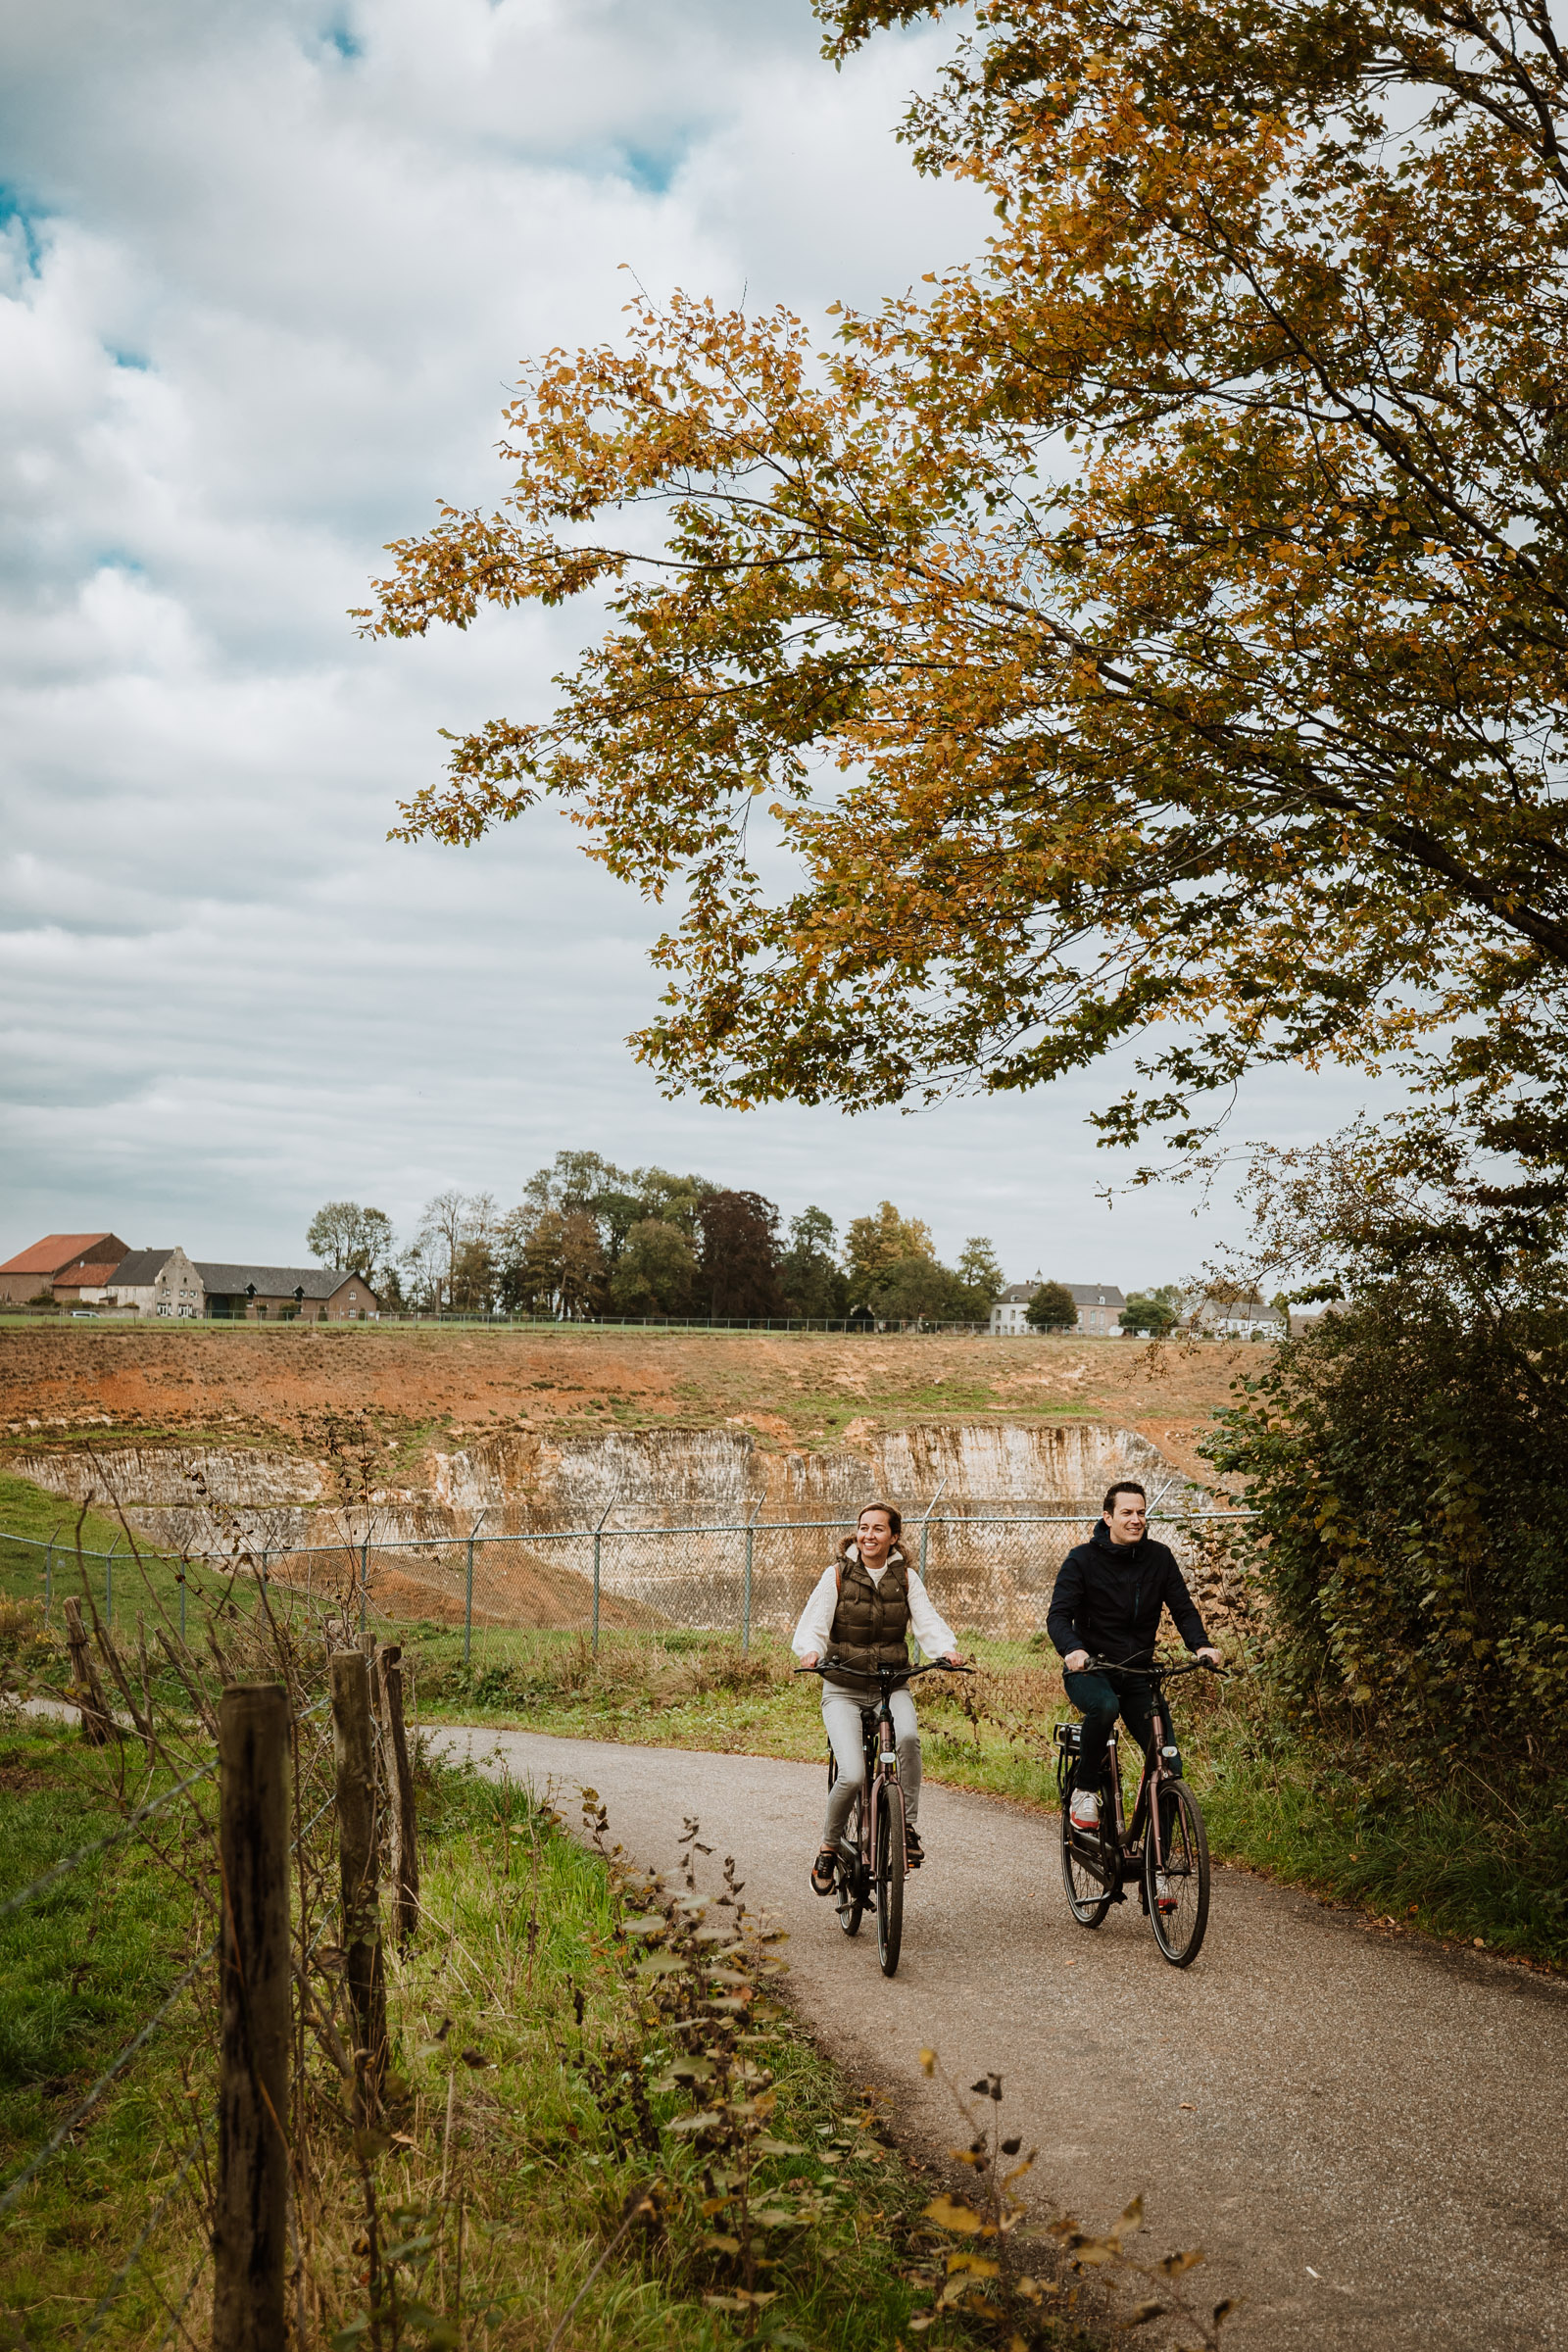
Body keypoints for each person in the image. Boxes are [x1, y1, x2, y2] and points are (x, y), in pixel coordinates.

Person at [793, 1501, 960, 1895]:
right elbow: (815, 1622)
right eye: (864, 1528)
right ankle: (829, 1848)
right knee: (851, 1775)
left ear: (894, 1536)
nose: (870, 1535)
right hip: (844, 1687)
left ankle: (907, 1826)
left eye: (879, 1529)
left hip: (890, 1684)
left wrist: (945, 1650)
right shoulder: (837, 1575)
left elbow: (927, 1621)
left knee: (907, 1740)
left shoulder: (906, 1578)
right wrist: (810, 1651)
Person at [1047, 1481, 1222, 1832]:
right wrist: (1073, 1650)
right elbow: (1058, 1616)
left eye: (1141, 1512)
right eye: (1126, 1512)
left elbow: (1183, 1609)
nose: (1136, 1519)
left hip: (1140, 1673)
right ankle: (1084, 1789)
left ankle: (1160, 1869)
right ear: (1107, 1517)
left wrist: (1201, 1645)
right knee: (1105, 1706)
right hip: (1092, 1669)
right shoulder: (1082, 1560)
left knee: (1168, 1767)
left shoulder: (1159, 1557)